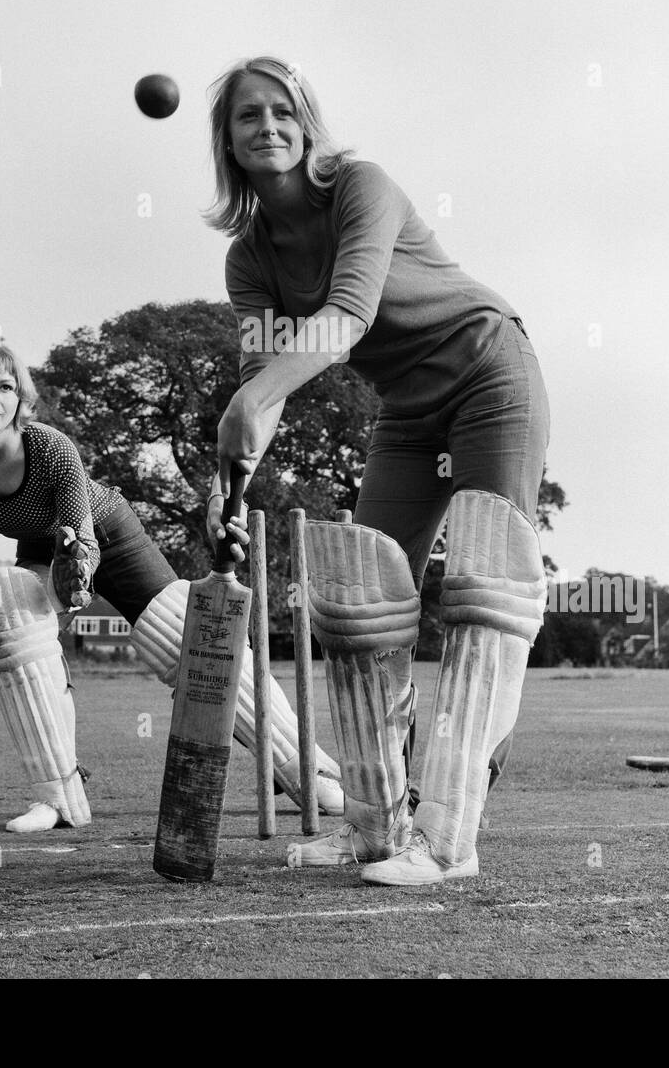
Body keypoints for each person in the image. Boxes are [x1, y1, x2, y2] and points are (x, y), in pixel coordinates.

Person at [205, 57, 551, 886]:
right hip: (406, 409)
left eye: (284, 111)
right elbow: (273, 381)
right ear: (228, 141)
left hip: (487, 371)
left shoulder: (362, 185)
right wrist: (233, 478)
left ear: (308, 121)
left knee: (483, 589)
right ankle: (372, 827)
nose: (269, 127)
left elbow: (345, 319)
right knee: (358, 601)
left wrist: (252, 398)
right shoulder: (250, 261)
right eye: (248, 116)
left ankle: (451, 836)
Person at [0, 339, 343, 835]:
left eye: (5, 386)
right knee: (13, 632)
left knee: (190, 640)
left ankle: (305, 769)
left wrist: (76, 572)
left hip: (102, 531)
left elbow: (78, 536)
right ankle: (57, 795)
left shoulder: (51, 447)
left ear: (23, 399)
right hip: (43, 549)